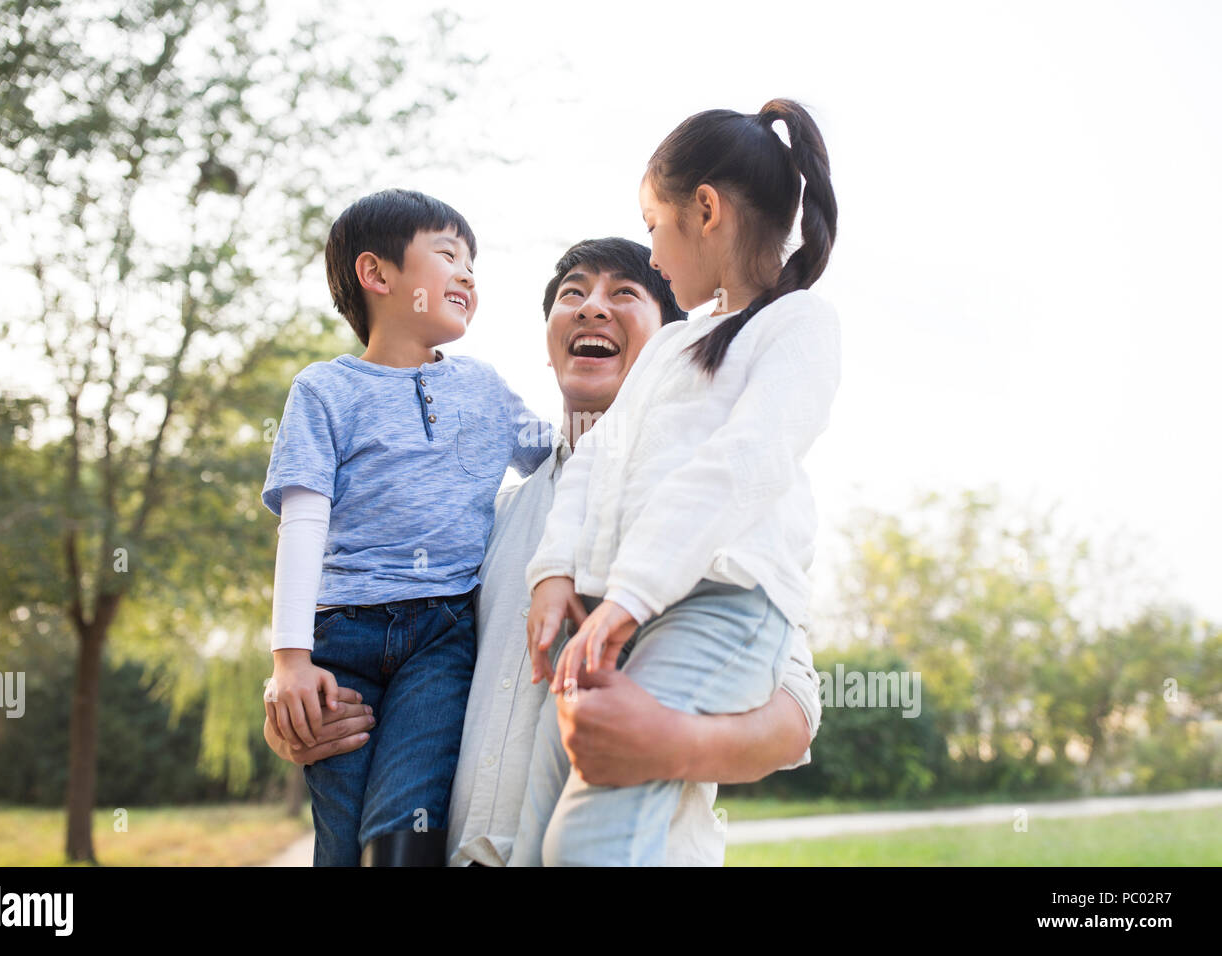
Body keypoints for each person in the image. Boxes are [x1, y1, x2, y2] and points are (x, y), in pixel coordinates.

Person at [264, 236, 823, 867]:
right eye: (573, 293)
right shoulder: (486, 518)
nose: (592, 308)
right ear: (549, 340)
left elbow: (794, 713)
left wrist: (670, 742)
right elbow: (398, 652)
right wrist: (302, 706)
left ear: (672, 349)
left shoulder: (710, 505)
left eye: (624, 293)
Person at [514, 98, 841, 866]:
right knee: (537, 831)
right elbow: (596, 459)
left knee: (588, 843)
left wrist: (626, 596)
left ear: (705, 209)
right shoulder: (673, 348)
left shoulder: (798, 325)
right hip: (633, 614)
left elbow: (745, 461)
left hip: (722, 607)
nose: (651, 256)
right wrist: (554, 570)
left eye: (653, 224)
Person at [260, 188, 553, 866]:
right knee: (340, 835)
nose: (469, 273)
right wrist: (290, 661)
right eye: (448, 253)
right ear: (378, 274)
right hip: (340, 641)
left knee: (404, 821)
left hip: (440, 636)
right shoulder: (323, 391)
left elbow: (561, 451)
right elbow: (302, 524)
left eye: (472, 261)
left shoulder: (482, 387)